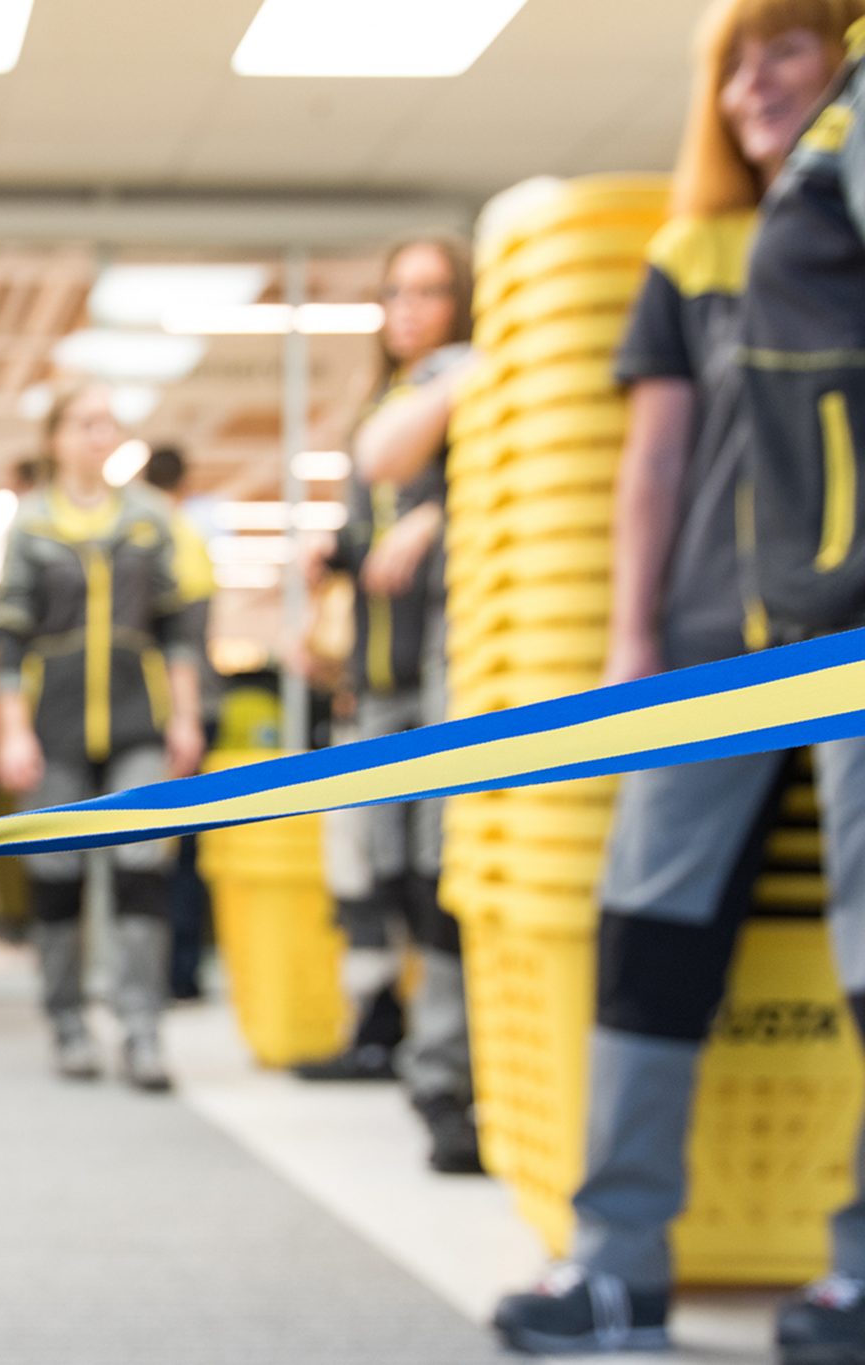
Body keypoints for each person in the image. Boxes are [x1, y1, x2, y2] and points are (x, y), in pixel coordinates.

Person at [494, 1, 865, 1353]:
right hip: (714, 644)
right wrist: (629, 645)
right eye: (736, 63)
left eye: (789, 50)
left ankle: (860, 1273)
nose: (760, 83)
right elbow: (651, 467)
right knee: (648, 939)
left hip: (856, 639)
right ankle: (614, 1262)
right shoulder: (694, 251)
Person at [295, 236, 482, 1178]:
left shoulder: (470, 390)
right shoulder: (384, 402)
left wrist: (439, 511)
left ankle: (448, 1073)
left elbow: (501, 489)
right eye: (395, 292)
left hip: (452, 664)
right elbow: (365, 520)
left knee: (442, 871)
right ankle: (398, 1036)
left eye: (430, 290)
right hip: (377, 671)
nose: (408, 308)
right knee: (382, 866)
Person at [0, 382, 207, 1092]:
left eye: (107, 423)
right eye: (84, 423)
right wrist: (11, 731)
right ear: (55, 438)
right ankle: (69, 1022)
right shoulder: (32, 524)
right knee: (56, 877)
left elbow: (178, 630)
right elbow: (10, 642)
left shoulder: (149, 518)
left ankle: (143, 1029)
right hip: (54, 728)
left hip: (139, 720)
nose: (98, 434)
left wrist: (185, 716)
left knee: (144, 870)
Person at [138, 442, 218, 1002]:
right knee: (185, 849)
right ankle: (181, 971)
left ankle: (171, 972)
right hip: (196, 709)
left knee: (157, 851)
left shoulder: (152, 533)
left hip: (163, 714)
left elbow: (174, 642)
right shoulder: (190, 536)